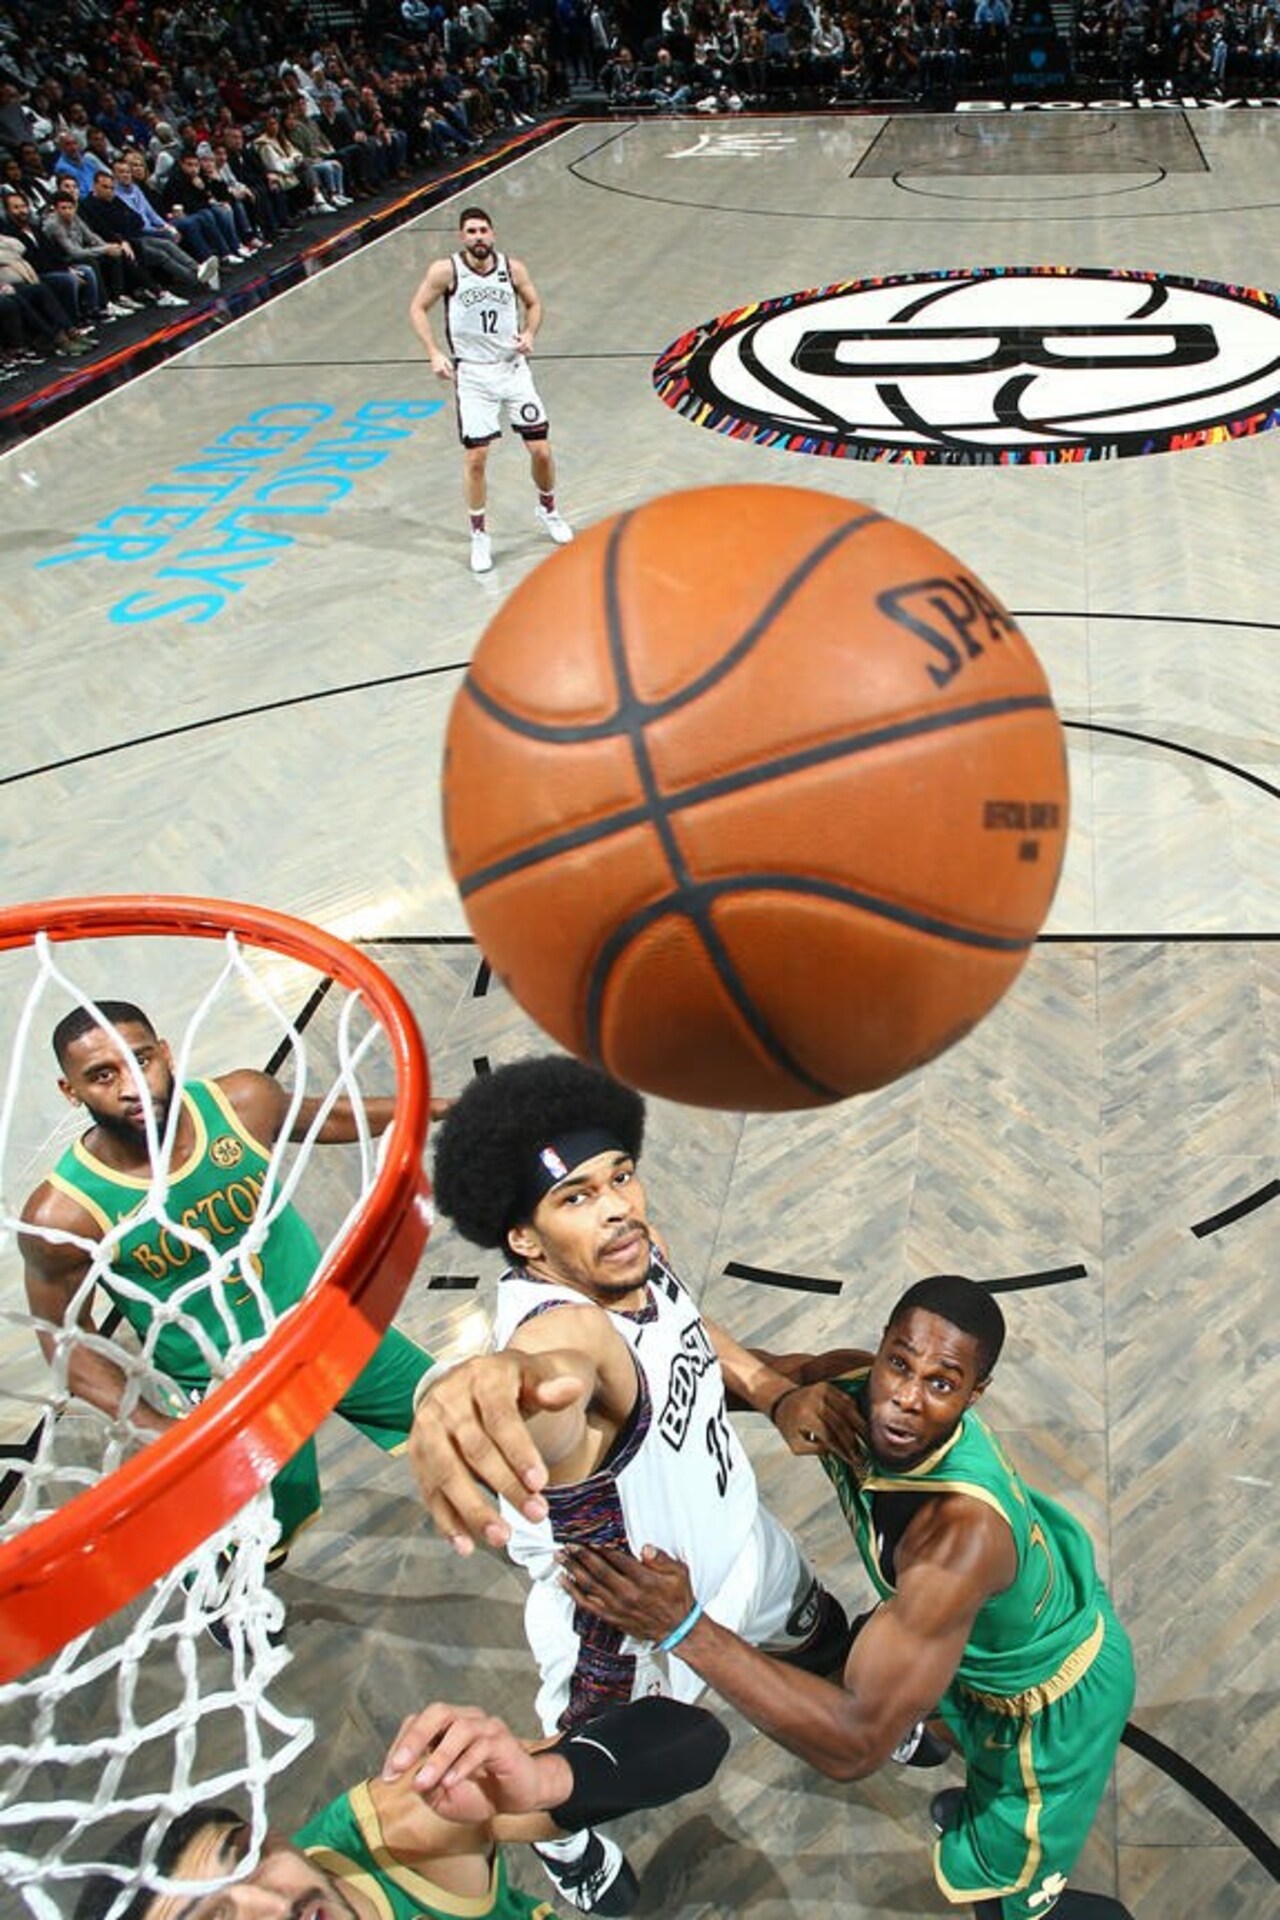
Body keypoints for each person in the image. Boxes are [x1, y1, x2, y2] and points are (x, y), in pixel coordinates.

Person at [411, 1055, 863, 1914]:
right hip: (633, 1622)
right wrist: (470, 1388)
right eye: (576, 1197)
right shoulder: (566, 1330)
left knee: (822, 1630)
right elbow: (556, 1372)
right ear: (525, 1241)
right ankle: (570, 1848)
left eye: (620, 1176)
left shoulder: (632, 1253)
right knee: (577, 1777)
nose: (618, 1205)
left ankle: (875, 1710)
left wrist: (771, 1388)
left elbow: (691, 1323)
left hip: (737, 1534)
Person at [559, 1276, 1138, 1920]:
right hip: (981, 1640)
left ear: (976, 1396)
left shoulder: (958, 1539)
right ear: (883, 1347)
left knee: (1007, 1888)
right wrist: (766, 1397)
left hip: (1051, 1706)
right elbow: (714, 1376)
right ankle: (970, 1781)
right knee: (886, 1662)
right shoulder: (850, 1388)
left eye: (941, 1384)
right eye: (899, 1364)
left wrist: (684, 1625)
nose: (904, 1400)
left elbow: (854, 1746)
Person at [19, 1000, 443, 1582]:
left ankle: (560, 1532)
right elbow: (65, 1339)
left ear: (165, 1052)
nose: (132, 1086)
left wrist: (442, 1108)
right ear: (72, 1093)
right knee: (261, 1537)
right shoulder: (65, 1213)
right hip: (225, 1387)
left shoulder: (240, 1102)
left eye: (140, 1060)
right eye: (103, 1075)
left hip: (329, 1328)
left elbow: (326, 1117)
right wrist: (148, 1424)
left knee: (456, 1411)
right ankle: (227, 1589)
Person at [71, 1694, 729, 1920]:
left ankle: (561, 1838)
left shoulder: (399, 1831)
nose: (278, 1906)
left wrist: (547, 1782)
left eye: (248, 1858)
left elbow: (696, 1739)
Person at [408, 205, 573, 575]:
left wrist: (530, 332)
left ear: (493, 234)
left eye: (483, 230)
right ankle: (479, 534)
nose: (478, 237)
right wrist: (434, 352)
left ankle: (548, 508)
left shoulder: (512, 269)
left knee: (542, 452)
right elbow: (418, 308)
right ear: (461, 236)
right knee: (476, 458)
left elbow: (534, 303)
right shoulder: (445, 271)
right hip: (473, 376)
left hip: (513, 369)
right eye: (471, 231)